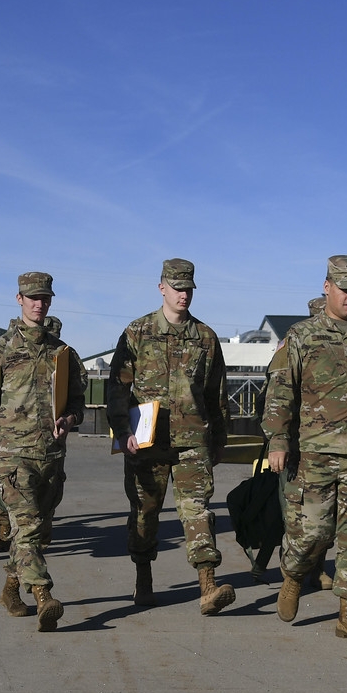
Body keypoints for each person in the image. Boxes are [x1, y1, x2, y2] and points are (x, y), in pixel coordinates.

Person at [263, 255, 347, 644]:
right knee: (312, 533)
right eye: (344, 289)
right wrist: (277, 440)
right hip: (313, 454)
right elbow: (280, 391)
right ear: (327, 287)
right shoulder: (301, 336)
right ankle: (291, 575)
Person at [106, 258, 236, 615]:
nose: (184, 295)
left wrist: (219, 439)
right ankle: (143, 576)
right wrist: (123, 430)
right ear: (162, 287)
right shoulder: (138, 331)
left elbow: (216, 393)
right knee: (145, 513)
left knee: (198, 511)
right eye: (177, 288)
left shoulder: (206, 337)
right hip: (146, 441)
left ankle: (207, 584)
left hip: (192, 440)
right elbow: (118, 387)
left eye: (189, 289)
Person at [0, 273, 86, 631]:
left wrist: (70, 418)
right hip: (13, 457)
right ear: (18, 299)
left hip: (50, 457)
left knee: (37, 532)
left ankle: (11, 590)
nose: (39, 303)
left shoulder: (63, 353)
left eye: (44, 297)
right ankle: (45, 596)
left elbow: (77, 401)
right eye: (32, 297)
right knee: (28, 527)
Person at [263, 295, 335, 591]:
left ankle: (316, 567)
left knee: (325, 515)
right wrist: (276, 439)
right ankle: (291, 569)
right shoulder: (292, 344)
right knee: (294, 511)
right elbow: (274, 393)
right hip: (296, 445)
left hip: (326, 443)